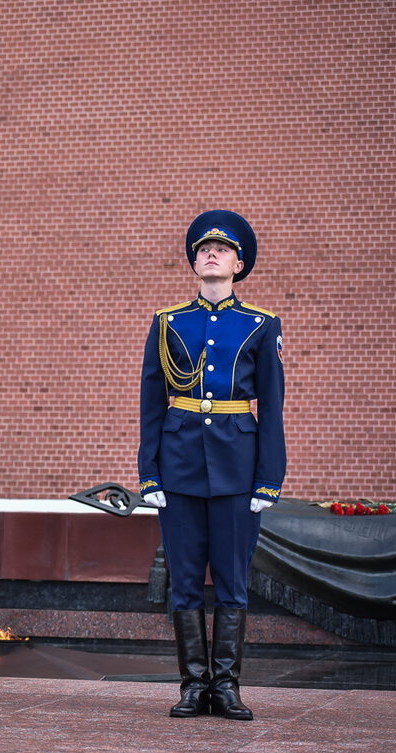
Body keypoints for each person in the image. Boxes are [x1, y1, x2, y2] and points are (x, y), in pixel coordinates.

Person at [138, 210, 285, 721]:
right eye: (203, 249)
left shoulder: (261, 326)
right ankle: (192, 686)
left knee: (231, 581)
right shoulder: (168, 321)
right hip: (178, 466)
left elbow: (271, 407)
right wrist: (149, 473)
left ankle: (226, 687)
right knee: (183, 580)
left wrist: (269, 478)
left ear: (239, 263)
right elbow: (152, 403)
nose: (210, 254)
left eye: (221, 250)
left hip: (237, 467)